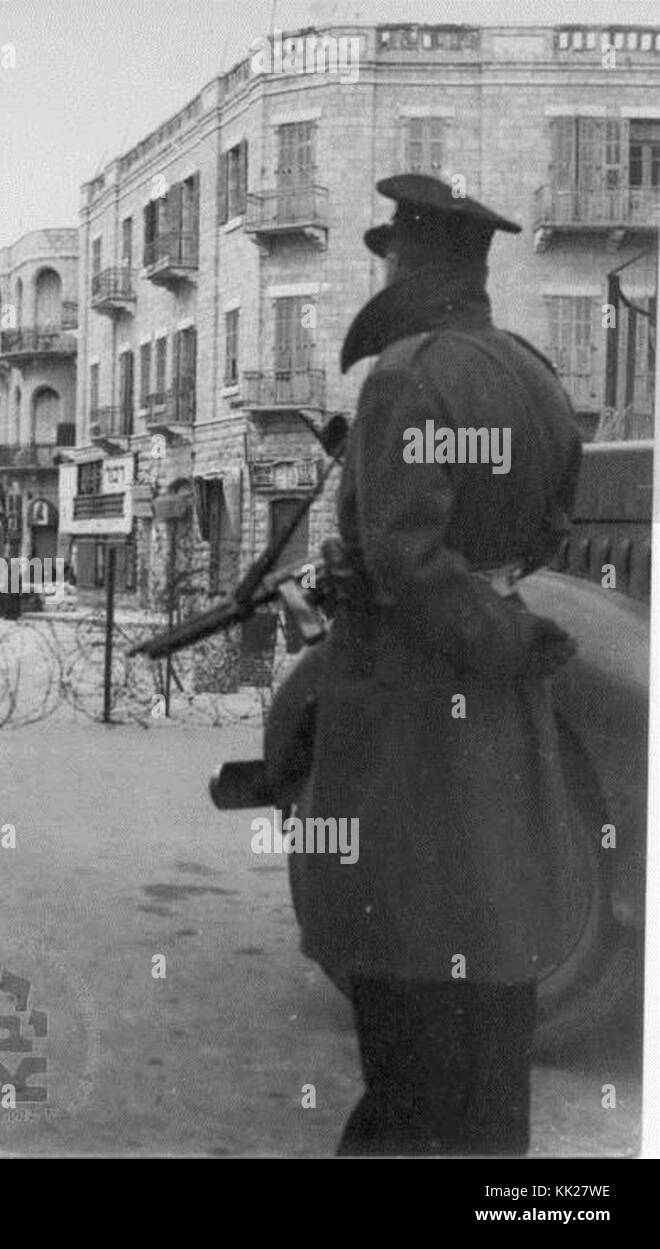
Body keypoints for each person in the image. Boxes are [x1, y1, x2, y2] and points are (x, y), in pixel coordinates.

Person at [296, 174, 583, 1156]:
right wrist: (504, 621)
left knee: (404, 998)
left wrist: (379, 579)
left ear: (411, 260)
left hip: (407, 728)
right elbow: (547, 532)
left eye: (388, 255)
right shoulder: (537, 375)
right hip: (501, 723)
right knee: (493, 993)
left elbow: (405, 560)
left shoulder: (405, 374)